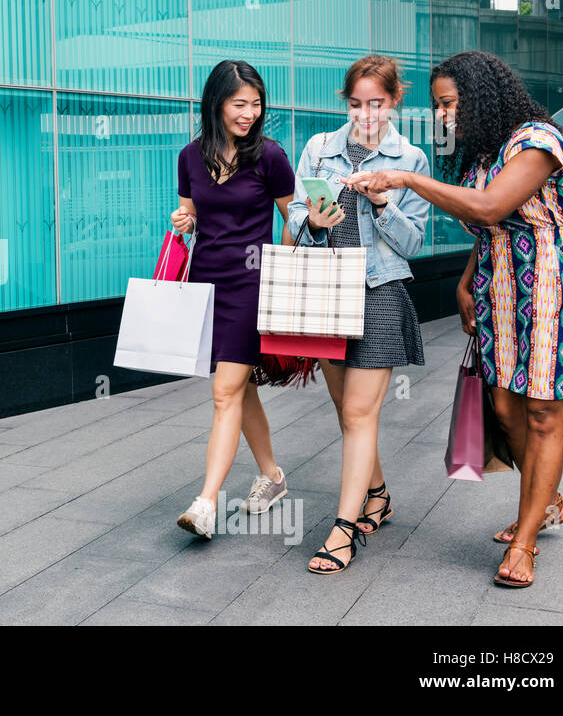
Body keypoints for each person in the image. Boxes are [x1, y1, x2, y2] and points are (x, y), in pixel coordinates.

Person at [346, 50, 563, 588]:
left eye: (448, 103)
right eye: (439, 105)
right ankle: (546, 498)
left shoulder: (538, 141)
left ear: (480, 96)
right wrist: (466, 279)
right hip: (500, 288)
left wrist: (404, 180)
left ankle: (526, 540)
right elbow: (490, 225)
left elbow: (487, 207)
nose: (441, 115)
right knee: (506, 408)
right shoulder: (486, 152)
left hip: (555, 288)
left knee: (542, 414)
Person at [287, 55, 430, 574]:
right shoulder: (319, 149)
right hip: (327, 293)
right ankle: (378, 494)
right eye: (355, 103)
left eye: (376, 103)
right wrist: (316, 221)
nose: (365, 114)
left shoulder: (410, 159)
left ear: (394, 101)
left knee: (357, 414)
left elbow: (413, 242)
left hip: (379, 293)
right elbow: (297, 220)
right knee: (345, 409)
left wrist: (382, 204)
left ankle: (342, 532)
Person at [172, 60, 296, 539]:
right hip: (207, 282)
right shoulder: (189, 157)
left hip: (251, 284)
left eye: (256, 104)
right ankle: (272, 475)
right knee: (239, 388)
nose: (250, 113)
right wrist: (183, 222)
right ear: (217, 104)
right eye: (239, 103)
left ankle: (205, 503)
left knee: (223, 391)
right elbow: (189, 213)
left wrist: (280, 269)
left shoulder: (270, 156)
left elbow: (294, 216)